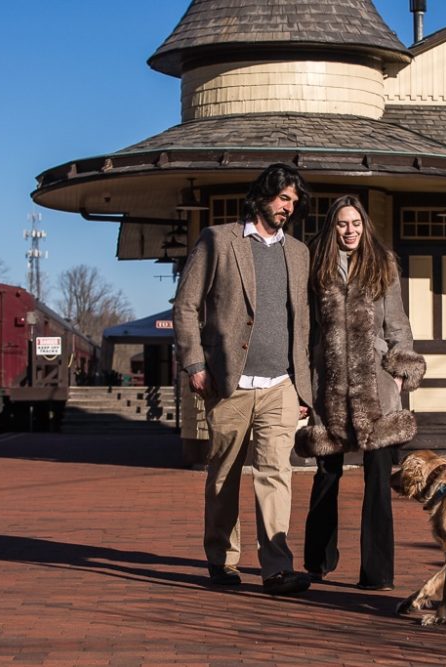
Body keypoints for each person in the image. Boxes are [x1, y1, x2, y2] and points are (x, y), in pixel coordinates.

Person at [173, 163, 314, 596]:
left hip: (281, 385)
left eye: (293, 201)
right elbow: (186, 306)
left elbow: (303, 324)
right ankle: (221, 558)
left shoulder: (299, 252)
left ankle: (276, 568)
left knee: (276, 474)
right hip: (229, 384)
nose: (287, 207)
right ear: (262, 196)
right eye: (282, 198)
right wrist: (195, 364)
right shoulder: (218, 240)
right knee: (224, 477)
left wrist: (304, 387)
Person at [295, 194, 425, 591]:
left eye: (355, 224)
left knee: (378, 482)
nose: (349, 231)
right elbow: (306, 330)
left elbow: (398, 326)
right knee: (326, 477)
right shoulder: (315, 267)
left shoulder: (383, 265)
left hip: (377, 391)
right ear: (332, 227)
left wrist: (401, 374)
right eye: (341, 224)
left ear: (364, 226)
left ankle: (377, 573)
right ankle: (318, 562)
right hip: (329, 389)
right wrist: (304, 384)